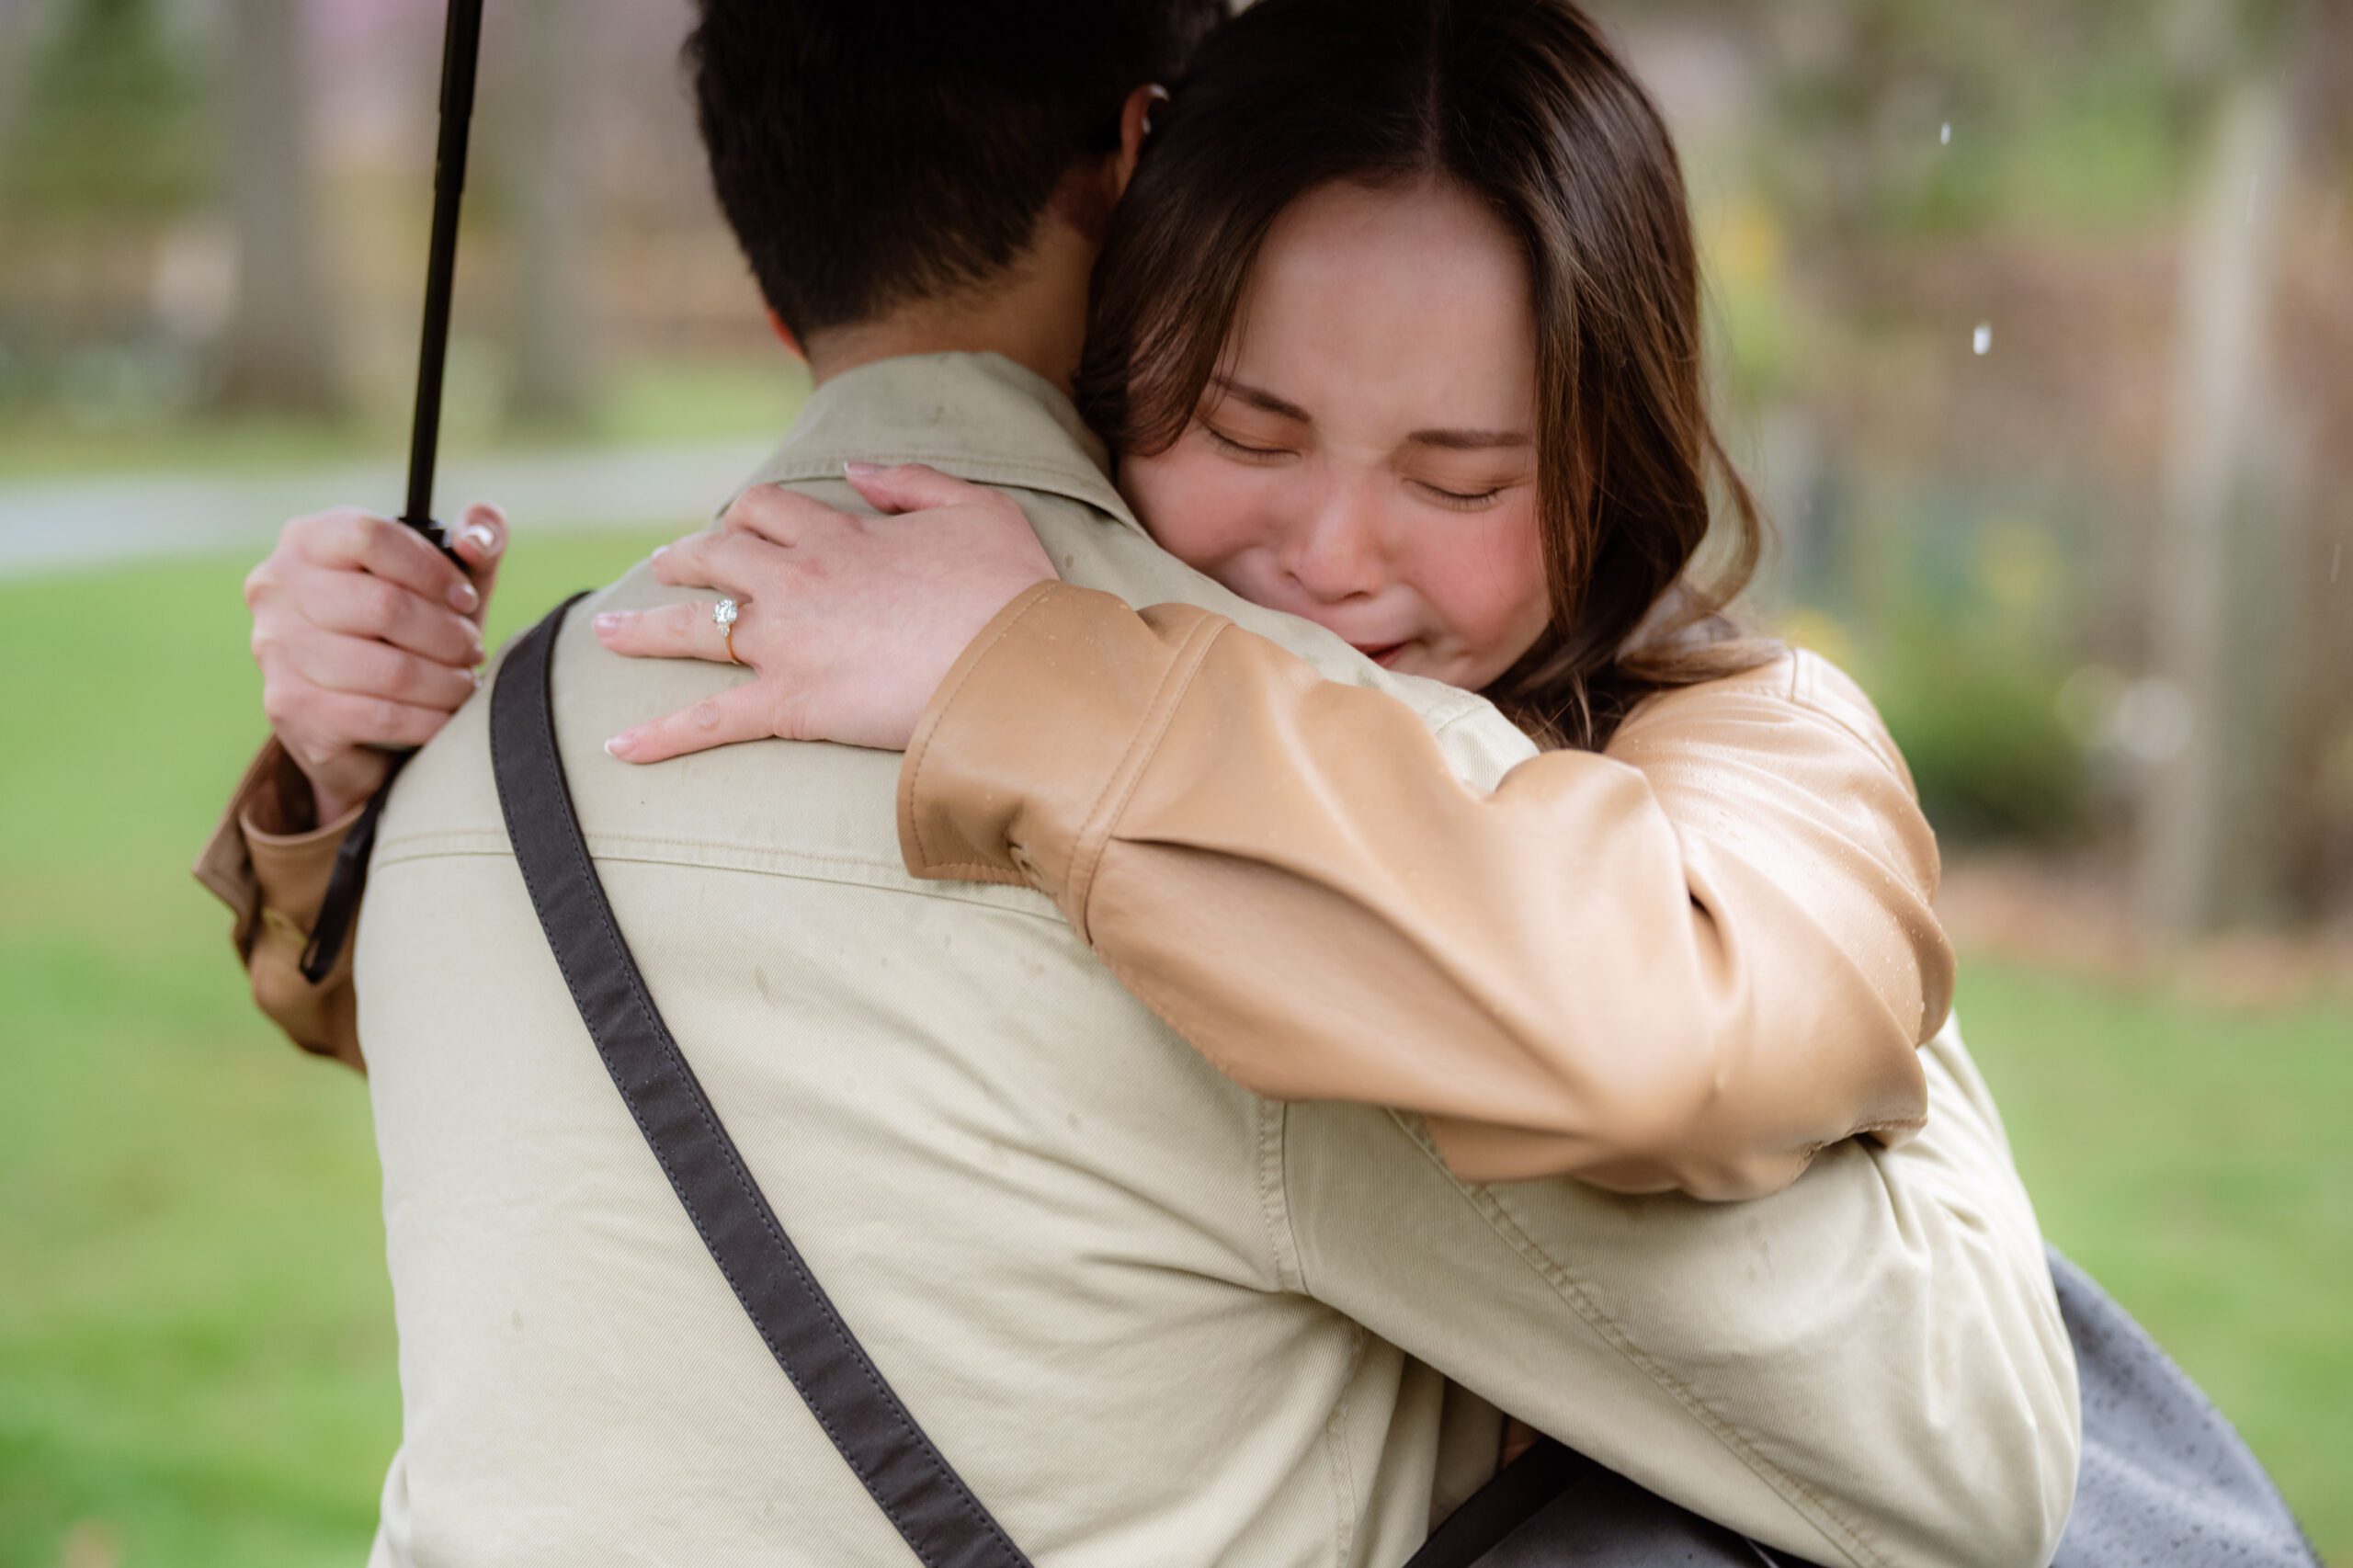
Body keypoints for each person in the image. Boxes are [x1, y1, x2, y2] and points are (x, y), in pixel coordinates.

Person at [196, 1, 2078, 1562]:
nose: (1332, 557)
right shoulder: (1339, 822)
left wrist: (351, 797)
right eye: (1250, 425)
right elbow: (1965, 1445)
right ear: (1143, 173)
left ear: (774, 279)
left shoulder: (482, 761)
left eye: (1456, 475)